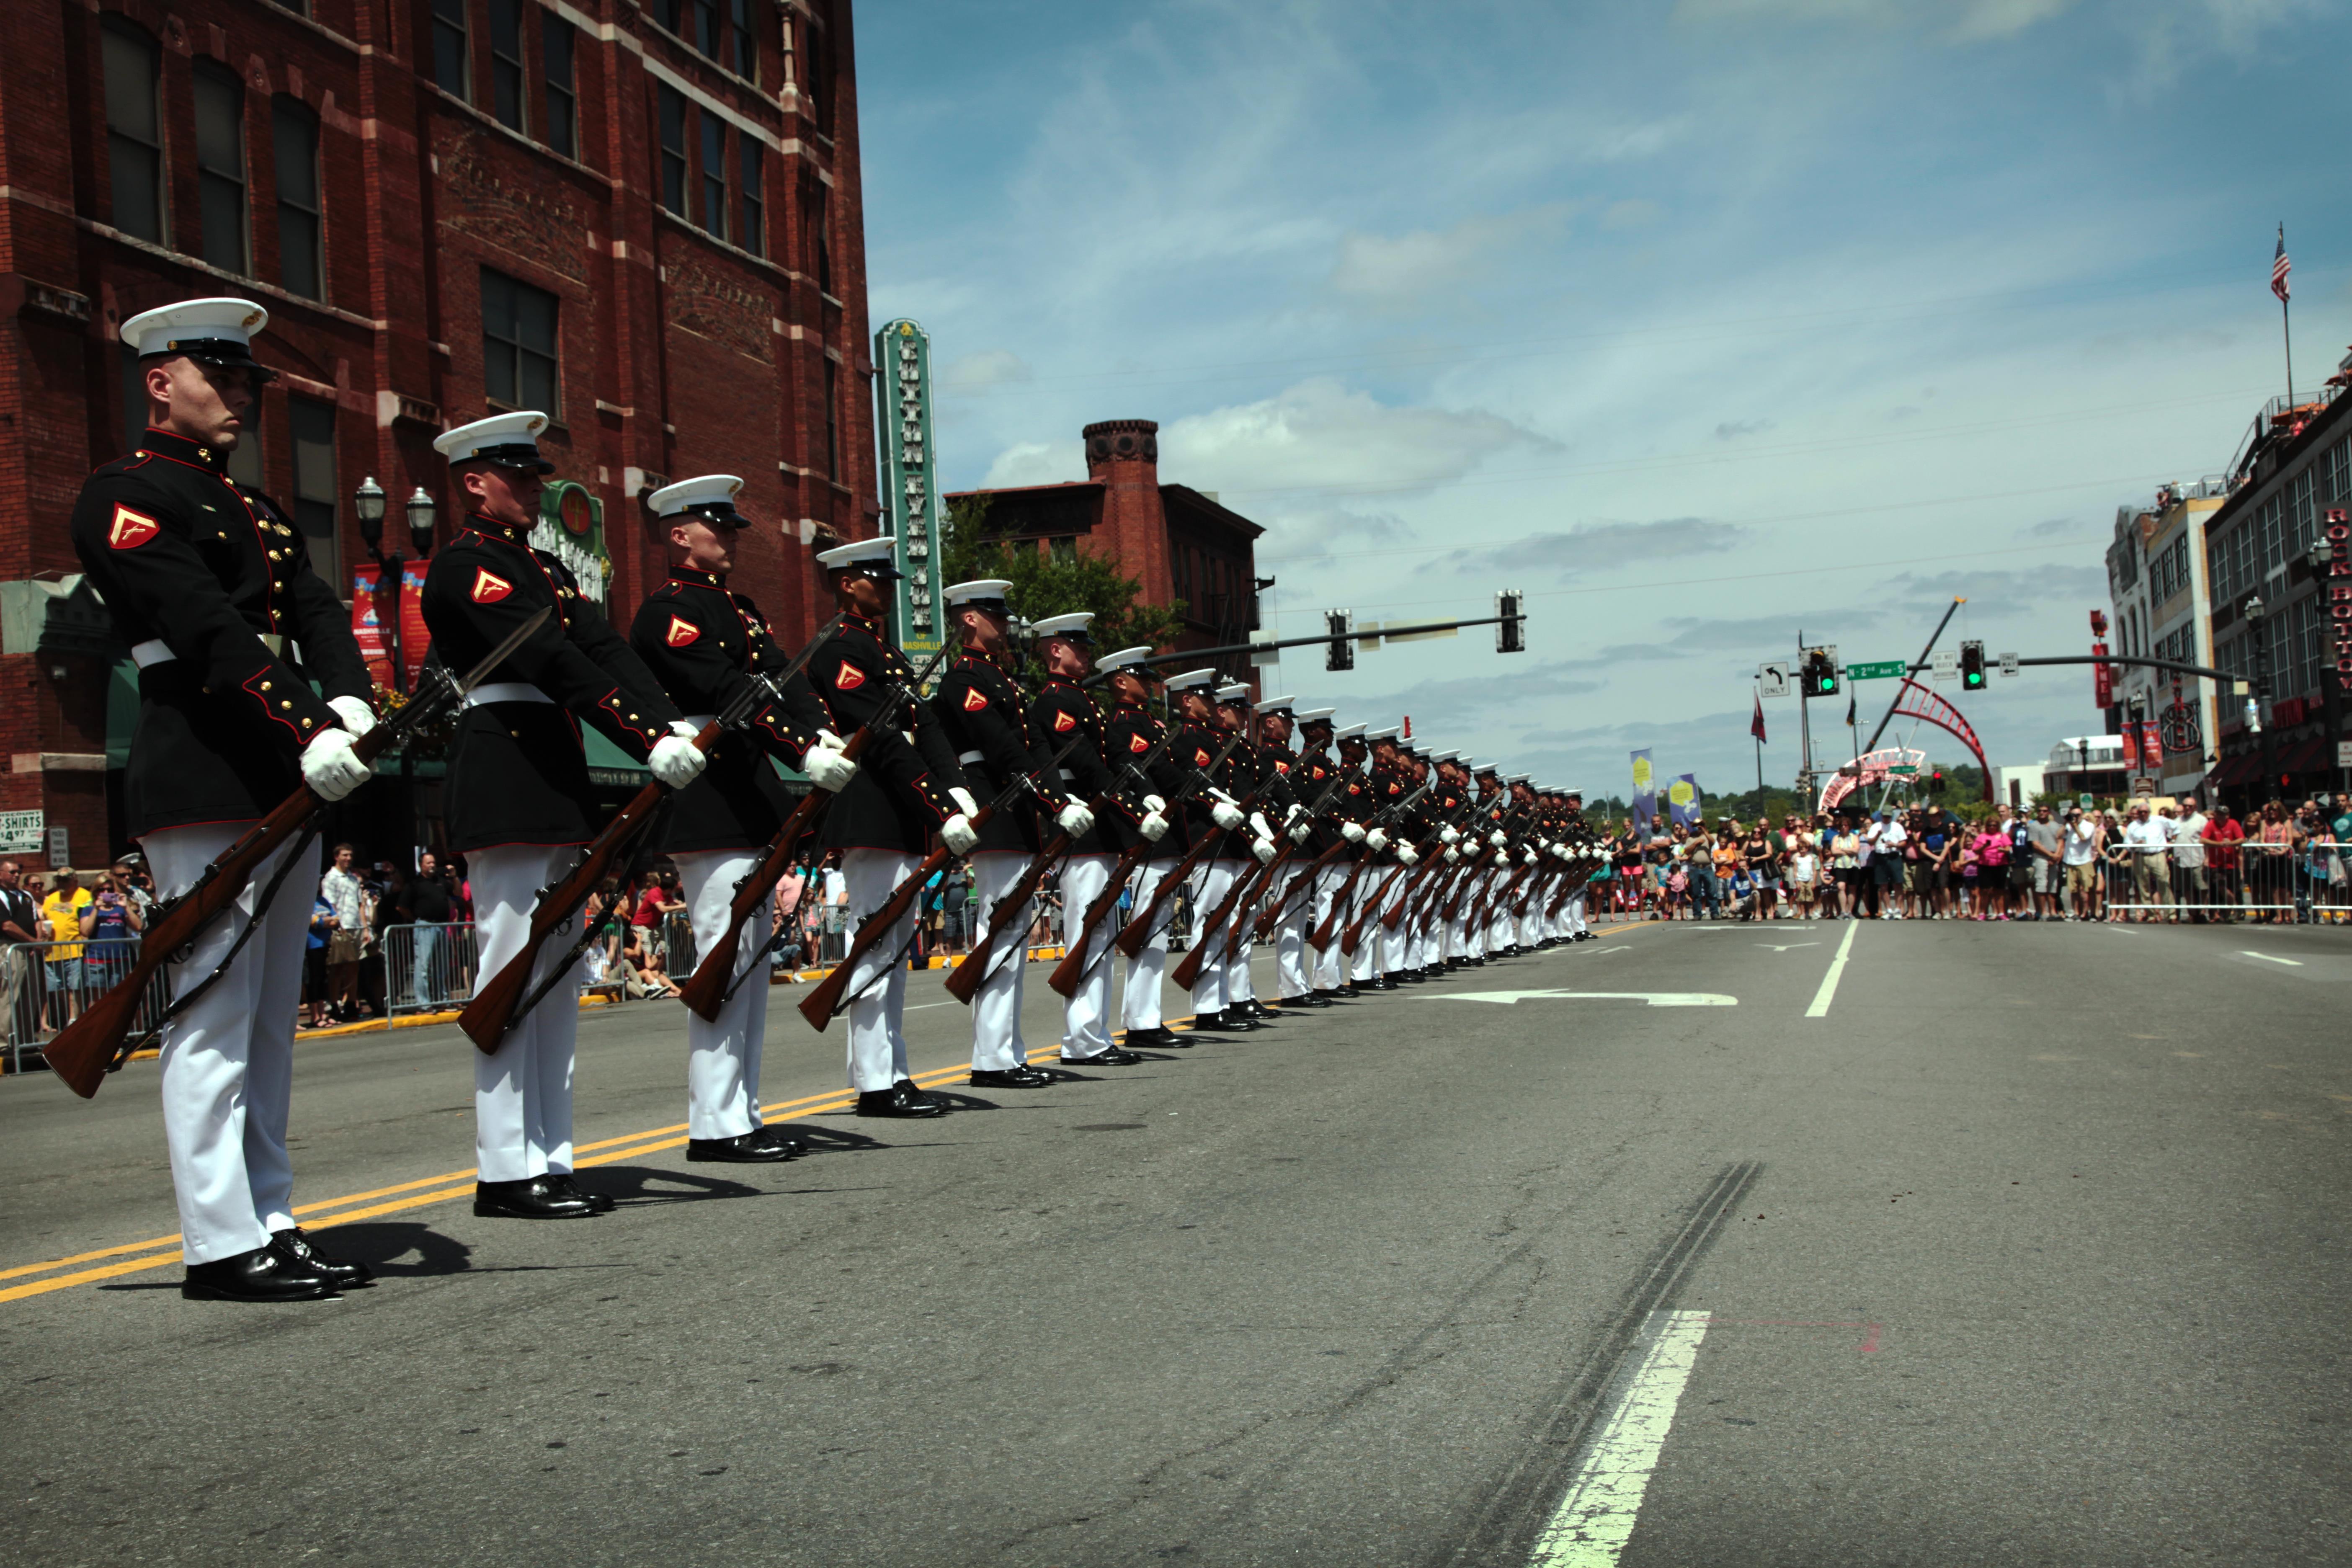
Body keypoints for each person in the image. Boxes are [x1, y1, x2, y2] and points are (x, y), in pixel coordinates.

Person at [69, 298, 378, 1300]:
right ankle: (218, 1240)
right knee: (213, 1009)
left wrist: (349, 700)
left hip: (278, 762)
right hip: (202, 760)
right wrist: (309, 721)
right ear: (162, 383)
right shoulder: (126, 493)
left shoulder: (260, 510)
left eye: (248, 380)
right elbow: (205, 626)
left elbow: (320, 610)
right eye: (224, 376)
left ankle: (270, 1217)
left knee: (270, 1018)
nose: (242, 395)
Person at [421, 409, 705, 1220]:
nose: (533, 489)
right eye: (518, 476)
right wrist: (643, 734)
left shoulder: (543, 568)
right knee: (512, 971)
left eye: (536, 476)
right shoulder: (468, 565)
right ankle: (505, 1168)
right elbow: (546, 656)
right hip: (504, 765)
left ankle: (550, 1155)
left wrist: (669, 725)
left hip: (552, 763)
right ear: (475, 482)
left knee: (553, 978)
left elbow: (605, 648)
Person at [629, 475, 856, 1162]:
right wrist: (801, 745)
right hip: (711, 791)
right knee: (723, 961)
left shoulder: (743, 610)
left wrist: (822, 730)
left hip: (749, 786)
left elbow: (785, 679)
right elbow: (729, 689)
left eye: (731, 526)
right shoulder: (667, 611)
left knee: (751, 966)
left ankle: (742, 1111)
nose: (730, 537)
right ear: (679, 534)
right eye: (717, 526)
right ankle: (715, 1122)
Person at [806, 536, 977, 1117]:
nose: (885, 590)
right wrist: (939, 805)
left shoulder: (888, 652)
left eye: (888, 581)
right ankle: (875, 1082)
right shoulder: (839, 647)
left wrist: (954, 785)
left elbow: (925, 725)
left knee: (894, 948)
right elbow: (878, 737)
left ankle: (890, 1071)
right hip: (872, 804)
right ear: (846, 583)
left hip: (901, 806)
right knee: (875, 945)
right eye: (875, 580)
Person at [38, 869, 94, 1028]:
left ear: (75, 881)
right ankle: (73, 1017)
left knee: (74, 988)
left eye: (65, 880)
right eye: (59, 880)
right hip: (52, 952)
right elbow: (43, 918)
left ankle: (74, 1020)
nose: (61, 883)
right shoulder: (52, 898)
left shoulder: (84, 896)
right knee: (58, 988)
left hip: (75, 950)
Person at [319, 843, 366, 1022]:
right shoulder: (331, 878)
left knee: (354, 967)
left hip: (356, 927)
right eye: (345, 855)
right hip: (340, 928)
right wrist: (339, 924)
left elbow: (360, 904)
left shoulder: (354, 878)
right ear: (337, 857)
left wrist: (365, 928)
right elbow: (330, 905)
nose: (348, 858)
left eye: (350, 855)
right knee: (337, 968)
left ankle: (351, 1005)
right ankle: (334, 1005)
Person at [2172, 799, 2209, 922]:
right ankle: (2192, 914)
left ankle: (2202, 912)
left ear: (2195, 807)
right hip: (2181, 860)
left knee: (2202, 887)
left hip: (2198, 859)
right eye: (2185, 806)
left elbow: (2206, 840)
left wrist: (2207, 858)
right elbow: (2172, 838)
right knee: (2187, 888)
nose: (2187, 808)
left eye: (2190, 806)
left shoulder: (2202, 820)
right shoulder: (2177, 821)